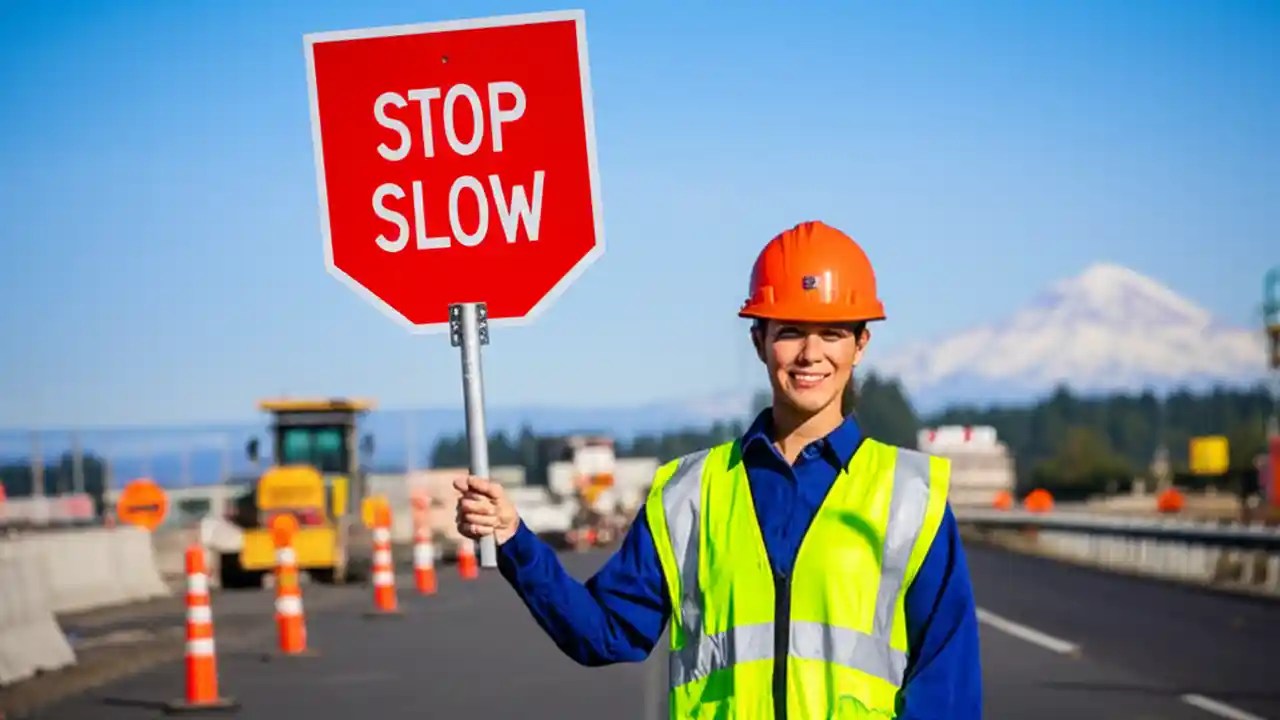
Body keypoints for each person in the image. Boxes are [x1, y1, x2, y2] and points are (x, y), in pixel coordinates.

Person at [455, 220, 983, 719]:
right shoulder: (688, 493)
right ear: (759, 340)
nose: (810, 354)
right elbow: (605, 632)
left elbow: (948, 687)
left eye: (832, 333)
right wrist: (514, 540)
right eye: (791, 331)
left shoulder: (909, 496)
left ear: (860, 344)